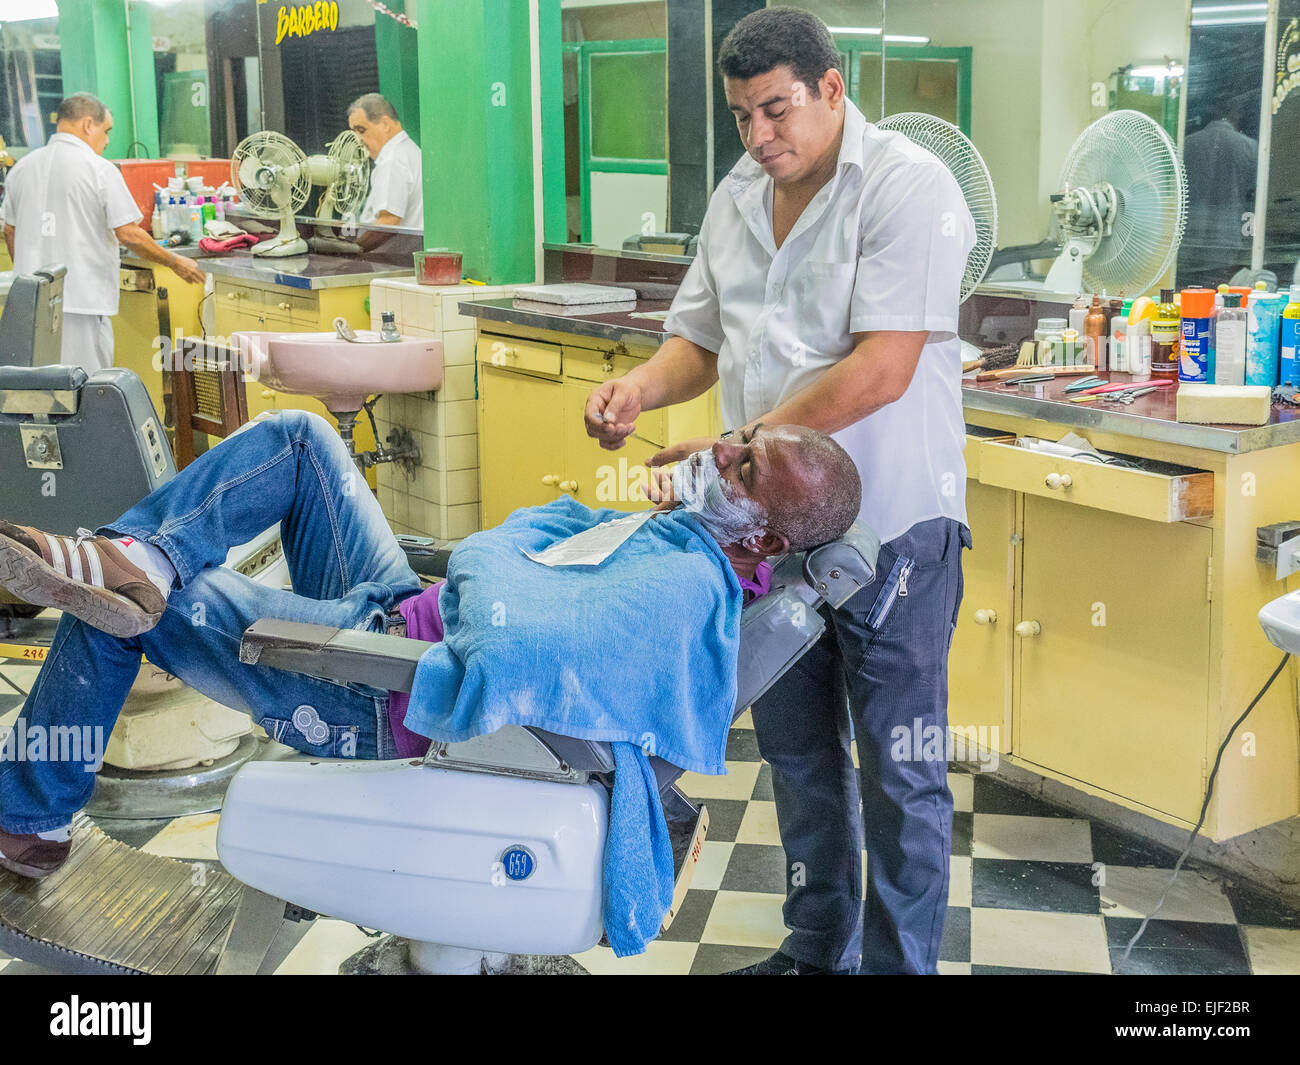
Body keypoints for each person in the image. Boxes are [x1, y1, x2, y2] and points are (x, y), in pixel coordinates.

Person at [0, 408, 859, 880]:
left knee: (121, 604)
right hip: (405, 608)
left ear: (768, 544)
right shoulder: (686, 541)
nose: (721, 447)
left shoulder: (681, 589)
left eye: (744, 468)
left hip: (378, 679)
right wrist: (500, 561)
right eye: (743, 434)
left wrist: (489, 558)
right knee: (299, 436)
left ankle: (31, 812)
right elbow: (540, 557)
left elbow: (519, 650)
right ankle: (140, 552)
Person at [584, 7, 974, 975]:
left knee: (901, 769)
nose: (759, 136)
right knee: (797, 758)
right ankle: (815, 950)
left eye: (776, 110)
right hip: (770, 539)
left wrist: (736, 445)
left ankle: (897, 967)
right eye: (741, 117)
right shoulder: (737, 195)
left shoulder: (906, 187)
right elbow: (700, 339)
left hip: (891, 533)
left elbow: (882, 367)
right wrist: (639, 386)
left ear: (831, 90)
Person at [0, 93, 206, 373]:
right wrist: (176, 262)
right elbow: (129, 234)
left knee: (39, 391)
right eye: (106, 131)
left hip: (30, 303)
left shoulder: (22, 168)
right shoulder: (98, 170)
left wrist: (30, 274)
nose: (107, 141)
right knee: (83, 389)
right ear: (88, 124)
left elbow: (9, 231)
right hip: (81, 305)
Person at [348, 93, 423, 229]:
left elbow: (388, 222)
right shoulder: (408, 150)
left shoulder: (392, 160)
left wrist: (354, 249)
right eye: (354, 133)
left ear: (385, 124)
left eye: (362, 130)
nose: (358, 140)